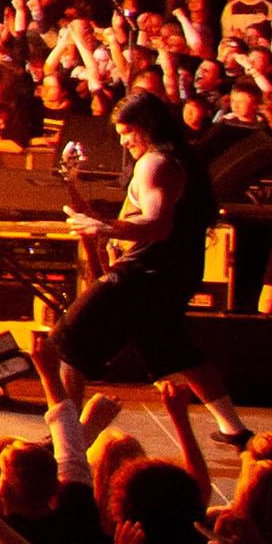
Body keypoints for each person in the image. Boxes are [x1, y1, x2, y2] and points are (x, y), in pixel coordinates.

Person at [60, 90, 235, 443]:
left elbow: (157, 225)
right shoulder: (172, 160)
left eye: (128, 133)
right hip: (170, 272)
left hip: (145, 274)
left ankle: (65, 434)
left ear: (148, 126)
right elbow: (117, 220)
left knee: (66, 341)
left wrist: (105, 228)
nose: (124, 142)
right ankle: (235, 429)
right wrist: (72, 179)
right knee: (173, 350)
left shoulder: (156, 163)